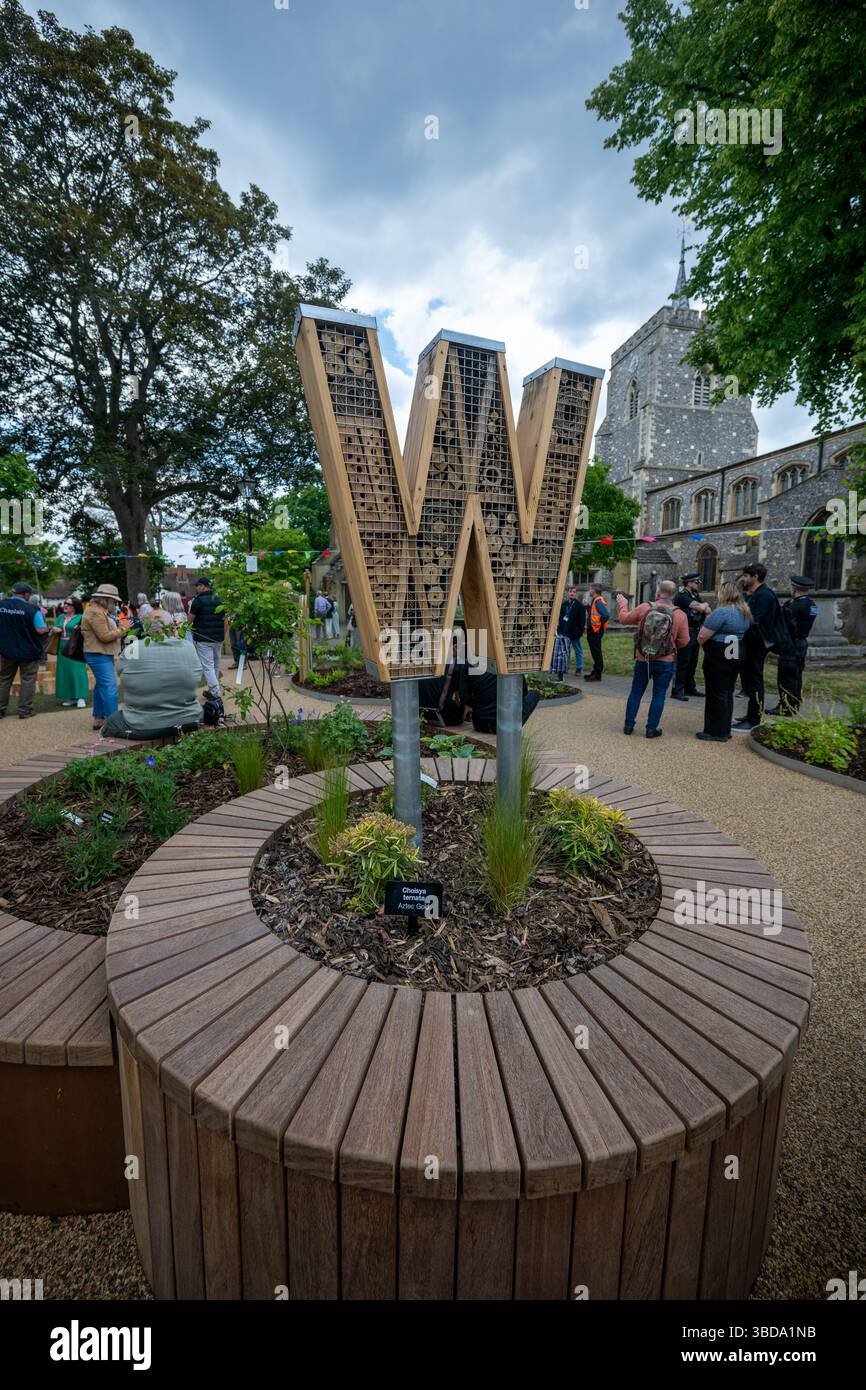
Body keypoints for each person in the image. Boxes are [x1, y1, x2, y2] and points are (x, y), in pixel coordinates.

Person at [101, 617, 205, 740]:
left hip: (143, 724)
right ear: (172, 629)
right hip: (189, 718)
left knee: (109, 724)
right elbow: (198, 674)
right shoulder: (188, 647)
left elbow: (120, 673)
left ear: (147, 630)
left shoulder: (133, 648)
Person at [615, 580, 689, 738]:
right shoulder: (680, 615)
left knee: (636, 691)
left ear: (658, 592)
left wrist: (623, 605)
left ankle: (628, 725)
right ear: (674, 595)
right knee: (659, 695)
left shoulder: (645, 607)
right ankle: (651, 729)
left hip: (643, 658)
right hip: (666, 661)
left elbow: (624, 619)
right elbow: (685, 641)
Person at [694, 582, 752, 741]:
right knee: (727, 692)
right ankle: (725, 728)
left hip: (719, 654)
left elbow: (702, 636)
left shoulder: (721, 613)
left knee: (715, 693)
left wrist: (704, 646)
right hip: (737, 652)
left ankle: (715, 732)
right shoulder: (745, 612)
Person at [734, 563, 780, 730]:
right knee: (748, 681)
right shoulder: (754, 594)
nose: (743, 578)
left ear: (755, 577)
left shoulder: (765, 596)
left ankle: (754, 719)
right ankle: (750, 714)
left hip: (757, 644)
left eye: (746, 575)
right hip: (749, 643)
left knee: (754, 681)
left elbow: (753, 619)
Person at [769, 576, 818, 715]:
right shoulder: (811, 604)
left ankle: (785, 707)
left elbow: (784, 625)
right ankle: (794, 704)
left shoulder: (794, 605)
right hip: (801, 642)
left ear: (795, 589)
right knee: (796, 675)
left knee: (786, 676)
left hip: (791, 643)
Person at [0, 581, 48, 720]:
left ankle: (0, 710)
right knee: (27, 680)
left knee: (3, 680)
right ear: (26, 594)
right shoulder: (32, 609)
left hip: (6, 651)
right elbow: (40, 630)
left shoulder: (1, 606)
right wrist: (46, 629)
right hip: (29, 651)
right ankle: (25, 710)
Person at [456, 660, 540, 734]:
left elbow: (464, 697)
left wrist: (481, 705)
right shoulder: (509, 660)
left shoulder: (469, 662)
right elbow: (523, 692)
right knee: (534, 694)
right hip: (506, 725)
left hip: (479, 724)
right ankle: (514, 725)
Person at [81, 583, 122, 729]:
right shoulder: (95, 612)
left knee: (101, 686)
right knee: (110, 687)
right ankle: (114, 723)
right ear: (106, 599)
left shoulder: (97, 611)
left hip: (100, 653)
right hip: (98, 654)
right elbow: (104, 636)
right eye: (114, 601)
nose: (115, 604)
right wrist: (122, 630)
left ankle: (99, 718)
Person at [671, 573, 710, 700]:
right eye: (696, 582)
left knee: (693, 661)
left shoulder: (695, 595)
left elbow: (707, 608)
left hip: (695, 631)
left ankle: (689, 687)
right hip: (685, 631)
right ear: (689, 583)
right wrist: (701, 607)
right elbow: (699, 607)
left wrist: (701, 607)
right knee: (683, 661)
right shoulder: (682, 596)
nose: (698, 584)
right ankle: (677, 690)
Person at [189, 575, 226, 698]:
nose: (197, 588)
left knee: (208, 666)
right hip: (218, 639)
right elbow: (226, 621)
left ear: (204, 586)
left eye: (198, 585)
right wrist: (223, 635)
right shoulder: (219, 599)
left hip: (204, 639)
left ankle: (215, 693)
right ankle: (212, 690)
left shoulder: (198, 601)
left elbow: (190, 620)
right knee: (215, 665)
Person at [54, 597, 89, 709]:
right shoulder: (60, 617)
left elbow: (85, 632)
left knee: (77, 672)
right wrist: (54, 629)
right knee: (64, 672)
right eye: (64, 603)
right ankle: (70, 697)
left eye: (68, 604)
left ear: (75, 606)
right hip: (62, 649)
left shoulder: (81, 617)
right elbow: (55, 628)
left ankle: (81, 697)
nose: (65, 605)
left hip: (75, 649)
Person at [583, 584, 610, 681]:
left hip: (595, 631)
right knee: (595, 652)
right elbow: (594, 613)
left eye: (590, 589)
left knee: (597, 653)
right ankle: (595, 671)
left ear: (594, 590)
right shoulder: (595, 601)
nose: (589, 590)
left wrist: (599, 627)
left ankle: (597, 674)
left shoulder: (598, 601)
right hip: (593, 631)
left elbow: (606, 615)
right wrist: (587, 606)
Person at [558, 585, 585, 676]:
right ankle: (565, 667)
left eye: (574, 592)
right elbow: (561, 618)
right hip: (564, 632)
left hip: (574, 633)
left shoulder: (579, 606)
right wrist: (560, 630)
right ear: (567, 593)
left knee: (578, 651)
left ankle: (579, 668)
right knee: (565, 651)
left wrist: (579, 632)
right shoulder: (564, 605)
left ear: (576, 594)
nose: (572, 593)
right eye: (570, 591)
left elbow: (582, 621)